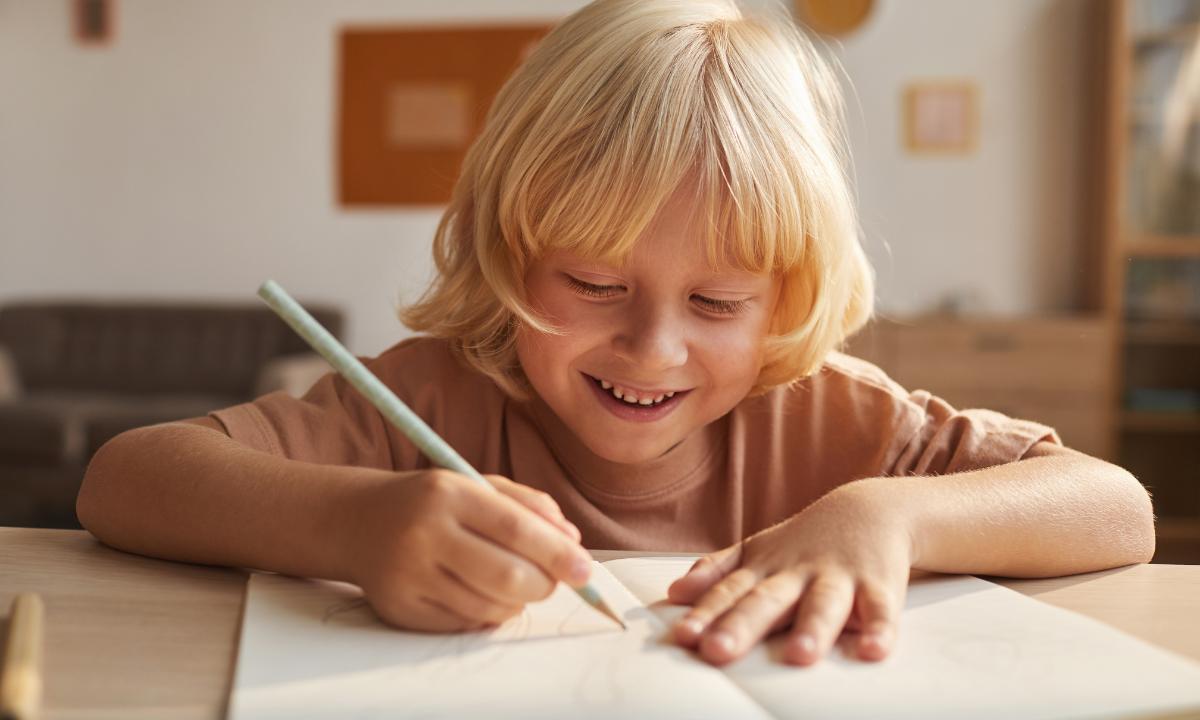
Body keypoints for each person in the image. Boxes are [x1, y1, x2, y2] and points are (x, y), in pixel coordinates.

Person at [77, 0, 1154, 668]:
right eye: (594, 283)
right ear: (509, 249)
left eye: (719, 304)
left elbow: (1118, 510)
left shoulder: (839, 421)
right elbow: (123, 480)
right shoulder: (429, 396)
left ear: (785, 299)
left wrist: (890, 517)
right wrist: (355, 525)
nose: (654, 350)